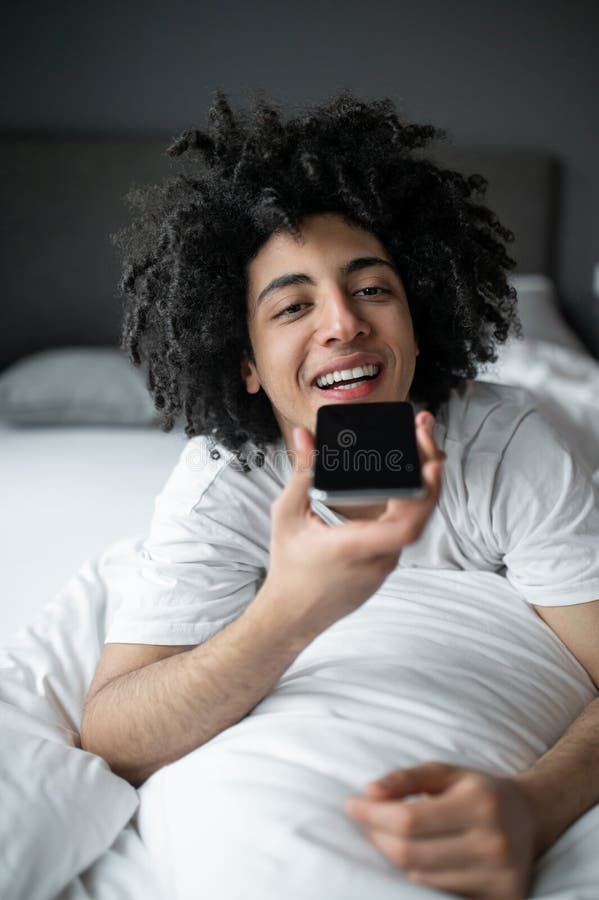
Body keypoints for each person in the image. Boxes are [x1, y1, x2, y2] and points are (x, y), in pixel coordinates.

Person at [81, 90, 599, 899]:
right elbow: (111, 733)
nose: (342, 324)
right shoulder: (224, 481)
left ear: (417, 317)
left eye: (372, 289)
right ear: (245, 363)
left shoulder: (506, 450)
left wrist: (534, 807)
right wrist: (290, 609)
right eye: (291, 306)